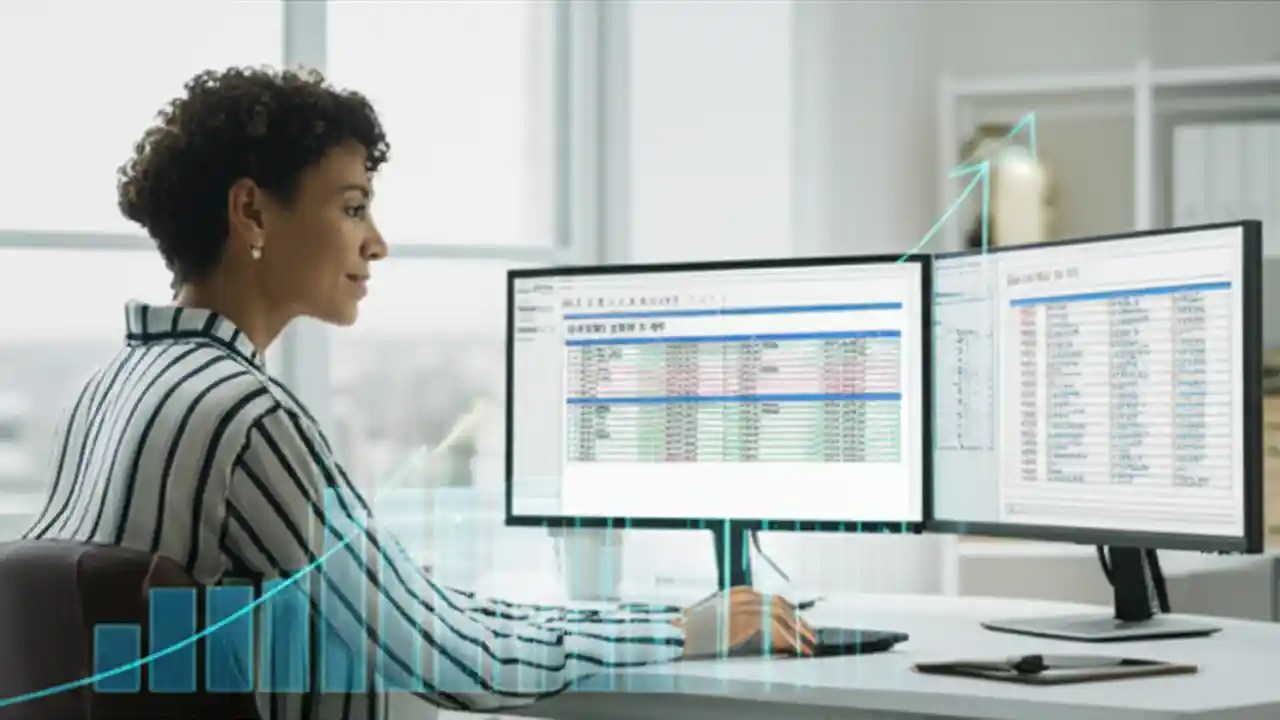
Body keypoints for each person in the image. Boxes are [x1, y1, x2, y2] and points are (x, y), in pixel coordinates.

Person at [22, 66, 815, 719]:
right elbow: (447, 657)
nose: (378, 241)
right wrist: (677, 631)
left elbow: (408, 609)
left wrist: (642, 620)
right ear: (252, 212)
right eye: (353, 206)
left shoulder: (112, 389)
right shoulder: (245, 416)